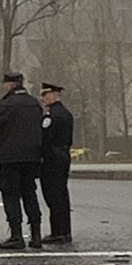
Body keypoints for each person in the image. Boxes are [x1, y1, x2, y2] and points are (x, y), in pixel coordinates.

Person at [0, 70, 46, 250]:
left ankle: (16, 235)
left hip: (10, 158)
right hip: (32, 157)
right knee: (30, 193)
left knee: (11, 194)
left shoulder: (7, 105)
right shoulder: (34, 103)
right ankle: (36, 235)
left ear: (9, 85)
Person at [37, 81, 75, 245]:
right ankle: (65, 231)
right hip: (63, 155)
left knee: (53, 195)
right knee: (62, 194)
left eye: (45, 95)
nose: (43, 98)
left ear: (53, 94)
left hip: (52, 158)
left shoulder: (51, 116)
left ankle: (57, 232)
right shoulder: (66, 114)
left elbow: (45, 138)